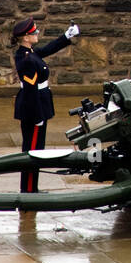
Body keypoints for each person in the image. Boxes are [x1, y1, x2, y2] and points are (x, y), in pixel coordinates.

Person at [12, 17, 80, 193]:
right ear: (26, 37)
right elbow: (30, 91)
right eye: (33, 32)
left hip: (39, 104)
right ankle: (28, 190)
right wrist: (36, 117)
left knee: (37, 149)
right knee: (32, 150)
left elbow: (47, 49)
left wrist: (66, 36)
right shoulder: (26, 59)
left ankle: (31, 188)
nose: (37, 33)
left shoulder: (29, 52)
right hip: (34, 109)